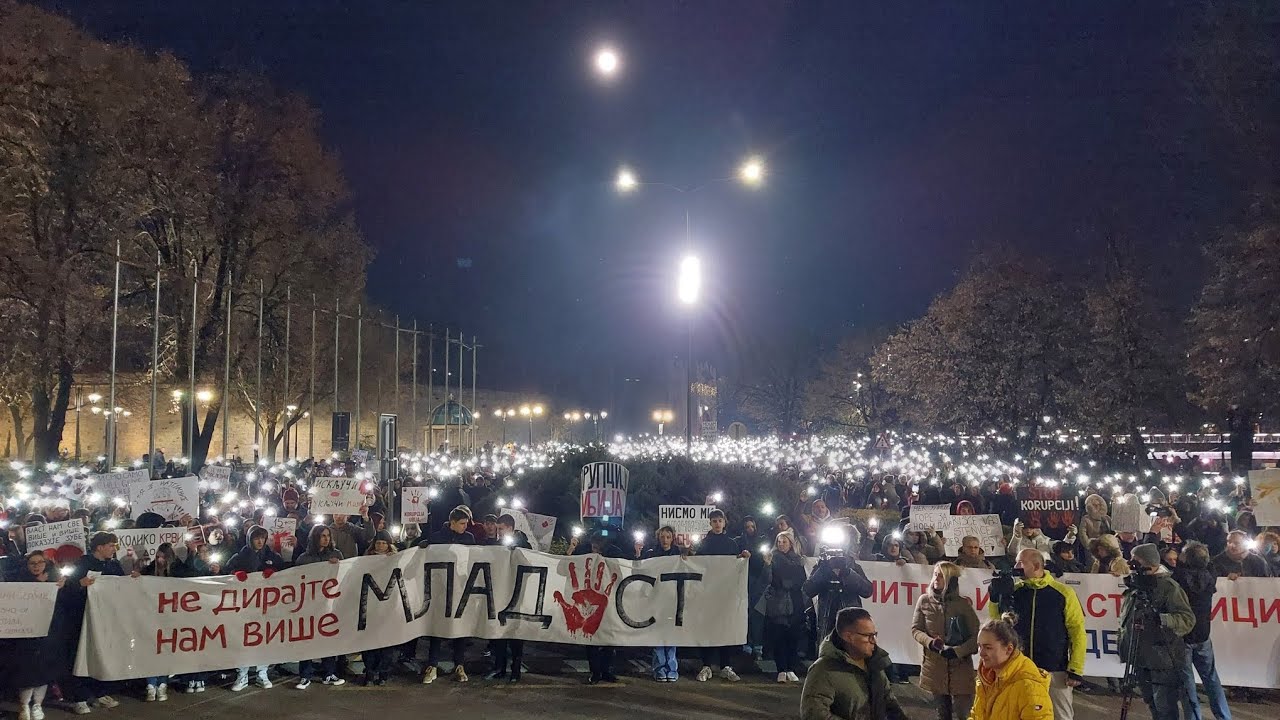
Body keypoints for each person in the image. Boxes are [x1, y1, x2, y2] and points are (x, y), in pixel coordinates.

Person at [988, 548, 1085, 720]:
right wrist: (996, 599)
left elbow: (1077, 631)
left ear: (1037, 565)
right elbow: (998, 625)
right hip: (1019, 667)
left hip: (1054, 669)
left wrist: (1076, 668)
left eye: (1021, 562)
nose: (1016, 566)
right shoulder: (1014, 591)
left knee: (1060, 715)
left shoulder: (1063, 593)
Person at [1118, 543, 1196, 719]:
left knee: (1164, 707)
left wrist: (1162, 619)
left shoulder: (1169, 587)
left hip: (1163, 659)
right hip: (1140, 656)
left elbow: (1187, 619)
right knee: (1151, 703)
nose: (1132, 565)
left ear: (1150, 564)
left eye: (1136, 561)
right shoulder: (1136, 585)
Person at [800, 607, 907, 720]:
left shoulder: (875, 662)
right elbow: (814, 714)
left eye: (875, 635)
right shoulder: (823, 670)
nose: (874, 641)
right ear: (848, 637)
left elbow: (889, 702)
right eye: (868, 636)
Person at [911, 562, 978, 720]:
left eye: (941, 575)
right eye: (935, 574)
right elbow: (916, 629)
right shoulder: (924, 601)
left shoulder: (963, 605)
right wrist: (930, 642)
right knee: (942, 714)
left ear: (951, 580)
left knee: (965, 714)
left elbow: (977, 637)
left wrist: (957, 651)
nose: (936, 578)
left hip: (960, 668)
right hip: (934, 668)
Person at [1172, 541, 1231, 720]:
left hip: (1184, 637)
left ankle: (1193, 717)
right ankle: (1223, 716)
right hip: (1203, 635)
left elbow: (1176, 568)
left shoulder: (1178, 579)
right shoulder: (1210, 576)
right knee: (1212, 679)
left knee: (1187, 683)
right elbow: (1210, 563)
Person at [223, 524, 284, 692]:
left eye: (262, 538)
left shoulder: (273, 556)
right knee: (243, 640)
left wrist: (275, 572)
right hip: (245, 606)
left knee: (263, 639)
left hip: (266, 606)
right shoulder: (239, 557)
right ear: (250, 539)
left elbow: (287, 572)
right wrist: (235, 573)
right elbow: (225, 572)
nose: (259, 541)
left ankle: (261, 673)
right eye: (256, 538)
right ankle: (242, 674)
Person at [692, 509, 749, 682]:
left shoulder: (732, 544)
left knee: (726, 628)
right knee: (707, 628)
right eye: (714, 521)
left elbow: (736, 567)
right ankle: (706, 665)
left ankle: (725, 665)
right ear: (710, 523)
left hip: (726, 594)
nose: (717, 524)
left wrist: (743, 558)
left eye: (720, 521)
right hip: (708, 593)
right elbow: (697, 566)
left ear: (724, 522)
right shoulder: (703, 544)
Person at [419, 507, 475, 684]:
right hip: (440, 589)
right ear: (452, 523)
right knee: (438, 627)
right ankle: (432, 665)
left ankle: (459, 665)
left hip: (461, 589)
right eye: (462, 524)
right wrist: (422, 547)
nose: (465, 527)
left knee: (459, 628)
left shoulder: (469, 539)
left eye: (466, 523)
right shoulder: (436, 538)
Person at [7, 551, 65, 720]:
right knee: (27, 672)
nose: (36, 566)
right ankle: (24, 706)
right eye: (32, 563)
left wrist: (59, 589)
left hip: (47, 633)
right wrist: (37, 585)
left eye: (40, 562)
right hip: (25, 636)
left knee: (43, 671)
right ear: (27, 565)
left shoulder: (55, 581)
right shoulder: (17, 581)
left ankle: (37, 705)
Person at [970, 613, 1053, 720]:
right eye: (979, 646)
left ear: (1009, 649)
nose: (981, 653)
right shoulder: (985, 680)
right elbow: (976, 715)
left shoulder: (1029, 687)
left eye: (988, 647)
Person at [803, 523, 874, 649]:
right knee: (827, 655)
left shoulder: (852, 566)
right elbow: (808, 590)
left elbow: (867, 591)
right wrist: (823, 570)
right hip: (827, 620)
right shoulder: (821, 567)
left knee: (851, 653)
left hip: (850, 620)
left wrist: (847, 573)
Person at [292, 524, 345, 689]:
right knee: (307, 639)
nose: (326, 538)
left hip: (329, 605)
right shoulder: (303, 558)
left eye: (328, 535)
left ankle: (328, 673)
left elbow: (343, 577)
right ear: (315, 538)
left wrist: (338, 566)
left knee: (328, 638)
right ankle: (305, 675)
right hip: (309, 605)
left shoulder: (337, 555)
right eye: (322, 536)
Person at [484, 514, 529, 683]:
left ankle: (515, 671)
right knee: (499, 634)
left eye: (501, 529)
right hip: (500, 594)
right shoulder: (497, 545)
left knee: (515, 635)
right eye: (498, 529)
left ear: (510, 528)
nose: (499, 532)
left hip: (516, 596)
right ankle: (499, 668)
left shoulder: (523, 544)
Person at [762, 531, 807, 683]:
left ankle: (791, 668)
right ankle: (781, 669)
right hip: (778, 602)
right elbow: (767, 580)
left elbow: (803, 581)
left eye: (784, 542)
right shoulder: (772, 559)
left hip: (795, 603)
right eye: (779, 541)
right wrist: (767, 566)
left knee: (793, 637)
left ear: (791, 544)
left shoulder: (798, 561)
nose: (781, 544)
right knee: (779, 637)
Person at [643, 526, 684, 681]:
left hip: (673, 599)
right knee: (658, 634)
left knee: (672, 634)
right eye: (662, 537)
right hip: (657, 599)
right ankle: (660, 668)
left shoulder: (679, 554)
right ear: (658, 537)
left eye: (668, 537)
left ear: (672, 538)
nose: (665, 540)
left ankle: (672, 669)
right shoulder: (651, 554)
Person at [361, 531, 398, 686]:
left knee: (386, 644)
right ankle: (370, 672)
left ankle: (383, 673)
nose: (381, 546)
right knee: (369, 642)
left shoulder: (396, 559)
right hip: (370, 608)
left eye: (384, 543)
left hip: (388, 609)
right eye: (378, 543)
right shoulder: (365, 560)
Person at [736, 515, 768, 659]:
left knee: (757, 614)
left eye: (752, 526)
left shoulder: (762, 541)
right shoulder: (738, 541)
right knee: (744, 613)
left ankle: (758, 646)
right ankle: (746, 645)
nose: (750, 529)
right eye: (747, 527)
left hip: (758, 581)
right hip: (743, 580)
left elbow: (764, 560)